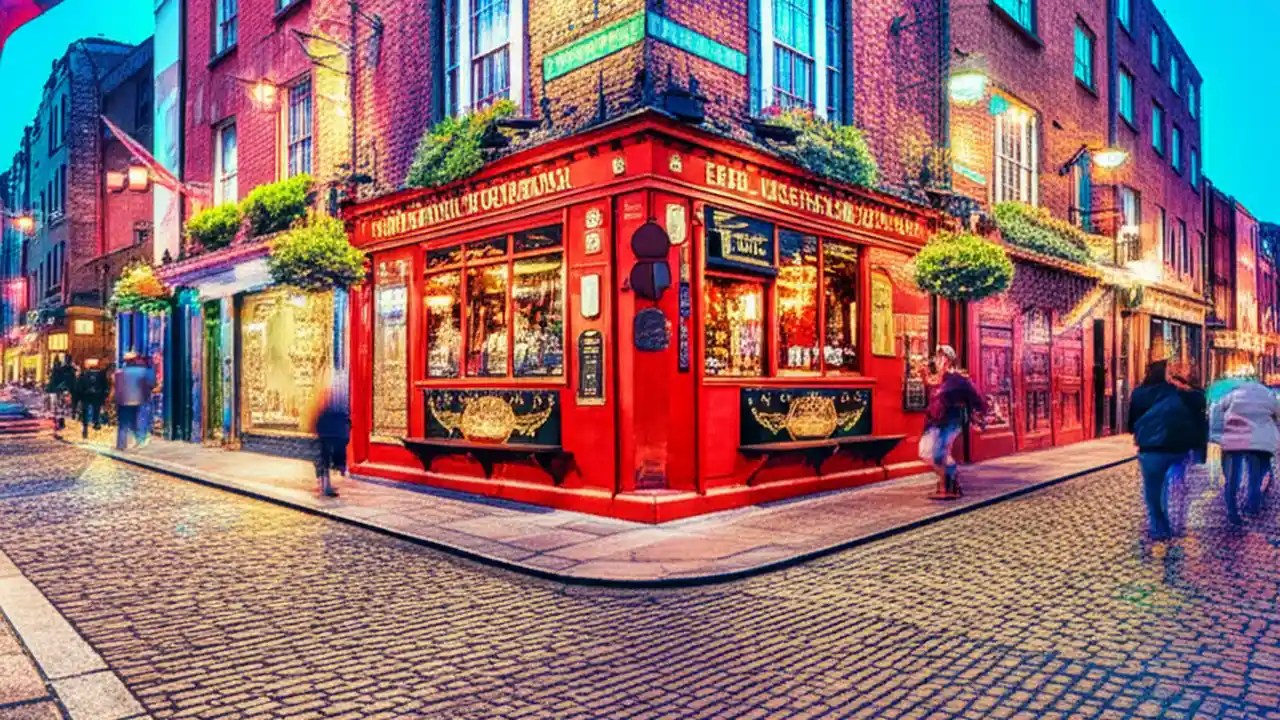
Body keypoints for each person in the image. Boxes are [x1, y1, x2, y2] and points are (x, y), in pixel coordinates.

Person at [1128, 357, 1199, 540]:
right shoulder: (1179, 392)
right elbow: (1199, 404)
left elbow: (1131, 424)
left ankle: (1159, 527)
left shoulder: (1139, 393)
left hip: (1150, 449)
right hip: (1177, 447)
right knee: (1178, 486)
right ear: (1167, 374)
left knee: (1152, 491)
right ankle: (1176, 523)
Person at [1208, 365, 1280, 524]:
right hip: (1259, 441)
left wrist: (1217, 433)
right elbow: (1277, 414)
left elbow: (1216, 410)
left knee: (1232, 477)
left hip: (1234, 439)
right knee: (1255, 475)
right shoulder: (1268, 395)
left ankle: (1232, 510)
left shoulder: (1233, 395)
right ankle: (1252, 505)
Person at [922, 344, 987, 499]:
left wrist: (980, 414)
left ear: (949, 360)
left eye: (941, 357)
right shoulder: (940, 379)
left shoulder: (958, 379)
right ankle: (948, 482)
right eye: (937, 357)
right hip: (935, 421)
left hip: (951, 421)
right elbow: (932, 388)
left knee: (939, 453)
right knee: (925, 451)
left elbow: (976, 396)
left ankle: (949, 485)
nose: (937, 361)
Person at [310, 378, 350, 498]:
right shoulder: (324, 405)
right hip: (326, 435)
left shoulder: (328, 405)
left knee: (324, 460)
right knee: (324, 460)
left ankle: (325, 485)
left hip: (327, 434)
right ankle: (325, 486)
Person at [113, 352, 155, 450]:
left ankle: (121, 445)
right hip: (139, 400)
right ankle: (140, 441)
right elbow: (151, 385)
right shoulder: (143, 371)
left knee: (123, 424)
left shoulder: (119, 372)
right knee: (137, 422)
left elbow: (116, 388)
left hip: (123, 401)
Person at [75, 358, 109, 439]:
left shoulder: (83, 374)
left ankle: (85, 427)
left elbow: (79, 387)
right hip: (97, 395)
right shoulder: (101, 374)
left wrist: (78, 397)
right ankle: (96, 422)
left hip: (86, 396)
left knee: (85, 411)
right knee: (96, 409)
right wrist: (104, 396)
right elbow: (105, 386)